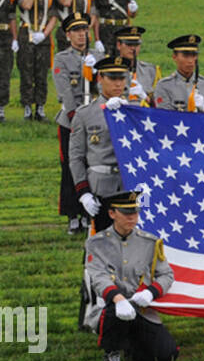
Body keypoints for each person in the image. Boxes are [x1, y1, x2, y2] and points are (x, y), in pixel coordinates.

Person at [85, 190, 179, 361]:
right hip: (110, 307)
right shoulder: (96, 244)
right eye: (127, 214)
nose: (132, 218)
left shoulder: (149, 242)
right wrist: (118, 299)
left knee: (165, 356)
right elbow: (98, 277)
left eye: (135, 213)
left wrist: (151, 292)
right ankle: (111, 355)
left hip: (140, 307)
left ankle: (131, 345)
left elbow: (166, 275)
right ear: (112, 214)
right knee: (116, 311)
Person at [69, 56, 135, 233]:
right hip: (101, 185)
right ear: (100, 78)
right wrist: (83, 192)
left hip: (130, 183)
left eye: (122, 78)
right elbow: (76, 157)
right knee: (101, 240)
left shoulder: (135, 110)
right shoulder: (85, 114)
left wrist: (130, 113)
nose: (118, 84)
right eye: (112, 78)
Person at [53, 12, 94, 233]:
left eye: (84, 30)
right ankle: (72, 215)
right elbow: (65, 91)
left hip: (94, 120)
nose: (81, 35)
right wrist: (75, 118)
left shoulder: (97, 54)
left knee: (91, 166)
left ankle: (89, 213)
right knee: (70, 166)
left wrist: (95, 69)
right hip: (71, 122)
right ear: (68, 35)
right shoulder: (61, 58)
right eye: (76, 31)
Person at [14, 0, 56, 121]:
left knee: (41, 73)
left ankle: (40, 107)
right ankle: (27, 106)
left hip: (42, 36)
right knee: (26, 72)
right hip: (26, 35)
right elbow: (26, 5)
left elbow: (53, 17)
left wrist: (45, 34)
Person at [153, 34, 204, 111]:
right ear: (174, 57)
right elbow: (164, 117)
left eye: (193, 55)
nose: (190, 61)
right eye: (186, 56)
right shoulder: (164, 85)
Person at [114, 26, 157, 106]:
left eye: (136, 44)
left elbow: (159, 103)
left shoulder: (150, 70)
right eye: (129, 44)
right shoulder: (109, 70)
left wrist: (145, 97)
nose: (133, 48)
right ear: (119, 45)